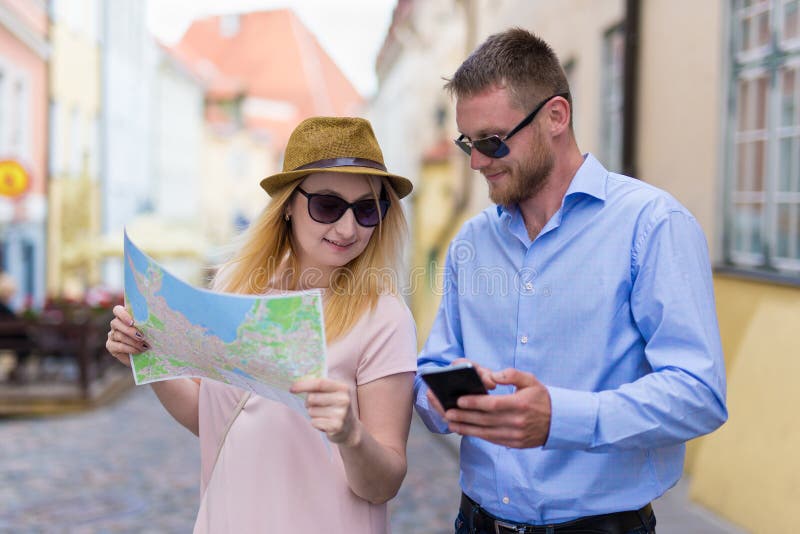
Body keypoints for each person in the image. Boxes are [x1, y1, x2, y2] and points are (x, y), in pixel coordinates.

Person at [413, 28, 728, 533]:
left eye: (492, 142)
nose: (476, 162)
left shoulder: (652, 225)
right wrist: (438, 395)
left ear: (556, 116)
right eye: (468, 144)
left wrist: (561, 416)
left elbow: (699, 395)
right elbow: (431, 367)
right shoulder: (469, 243)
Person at [106, 117, 417, 532]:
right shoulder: (236, 287)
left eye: (366, 210)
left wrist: (350, 434)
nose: (347, 229)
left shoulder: (385, 316)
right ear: (289, 204)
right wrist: (146, 356)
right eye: (327, 205)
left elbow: (384, 484)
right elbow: (210, 418)